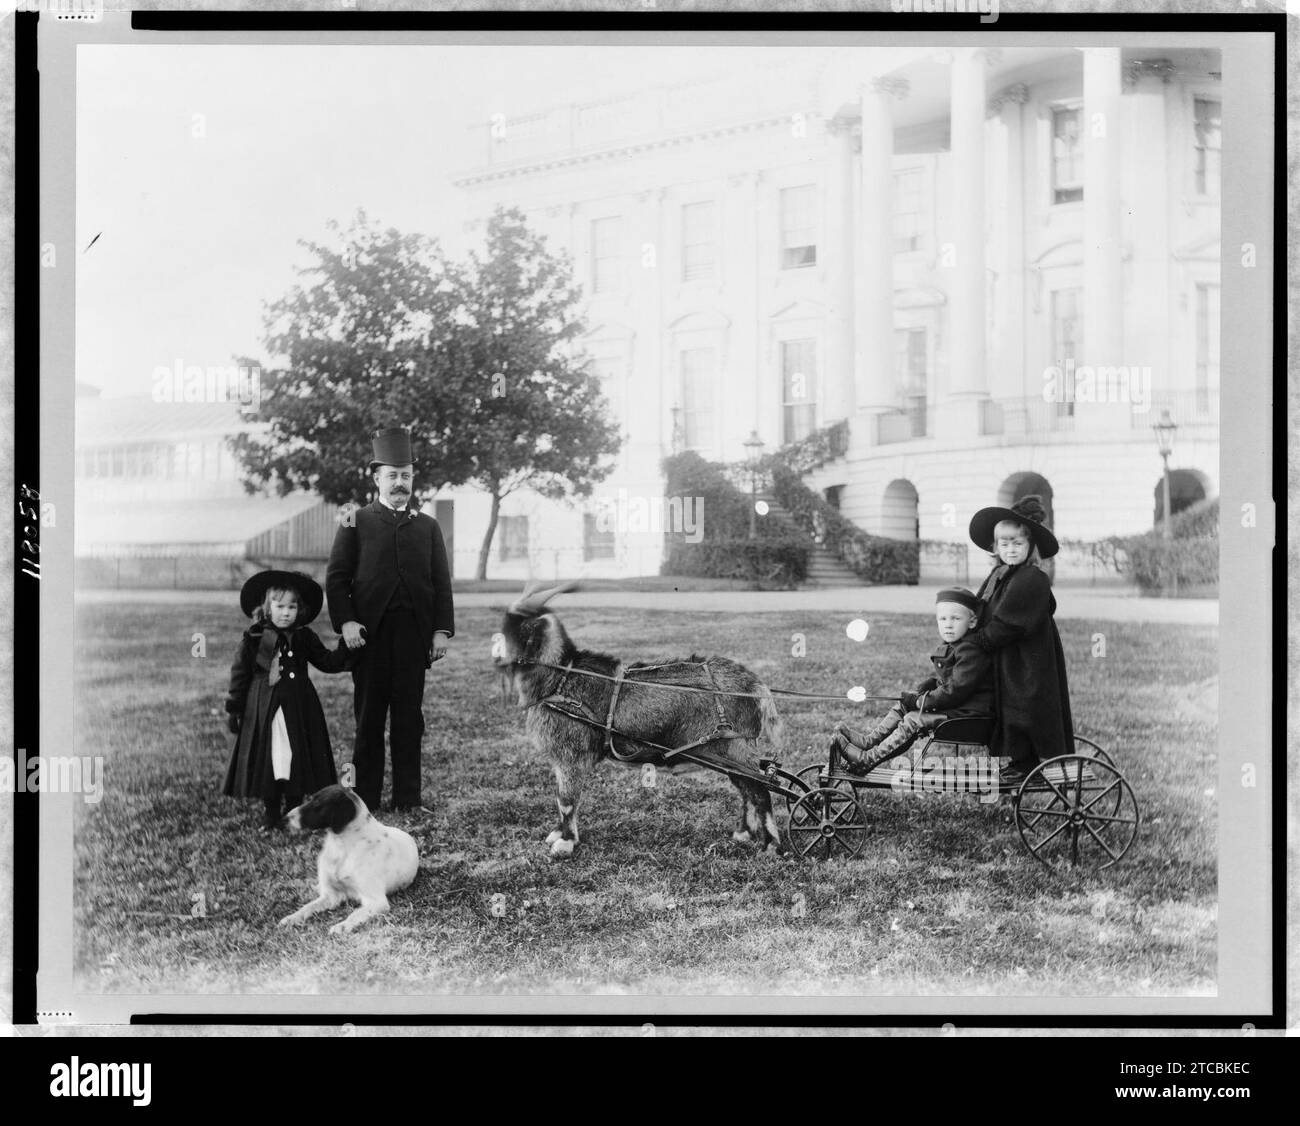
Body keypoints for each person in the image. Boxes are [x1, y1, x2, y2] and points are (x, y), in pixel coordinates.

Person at [325, 427, 454, 815]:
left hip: (413, 640)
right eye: (392, 475)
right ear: (376, 477)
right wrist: (346, 623)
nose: (400, 483)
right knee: (368, 720)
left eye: (407, 475)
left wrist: (440, 630)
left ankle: (408, 800)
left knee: (409, 720)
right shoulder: (355, 522)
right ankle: (364, 800)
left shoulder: (427, 527)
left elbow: (440, 584)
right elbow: (336, 579)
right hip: (369, 639)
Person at [223, 570, 355, 831]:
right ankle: (271, 814)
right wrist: (234, 708)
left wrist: (346, 647)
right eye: (279, 606)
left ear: (300, 609)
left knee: (295, 755)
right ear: (267, 607)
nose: (286, 613)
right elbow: (239, 676)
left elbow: (327, 662)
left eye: (292, 606)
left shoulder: (305, 637)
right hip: (264, 708)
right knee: (271, 758)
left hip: (298, 708)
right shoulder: (254, 638)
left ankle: (293, 810)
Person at [966, 494, 1075, 784]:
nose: (1011, 549)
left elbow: (1007, 624)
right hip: (1007, 658)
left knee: (1022, 709)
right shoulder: (1000, 574)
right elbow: (981, 607)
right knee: (1004, 709)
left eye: (1018, 543)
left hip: (1026, 662)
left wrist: (978, 642)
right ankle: (1014, 761)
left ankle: (1027, 765)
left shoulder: (1030, 578)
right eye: (1004, 544)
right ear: (995, 547)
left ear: (1031, 546)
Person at [832, 588, 994, 775]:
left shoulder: (971, 651)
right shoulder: (955, 644)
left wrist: (919, 701)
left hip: (969, 715)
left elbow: (956, 690)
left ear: (972, 621)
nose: (948, 625)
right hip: (956, 708)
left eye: (956, 619)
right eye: (943, 619)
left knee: (913, 719)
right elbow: (951, 679)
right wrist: (930, 684)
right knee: (903, 707)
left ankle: (867, 760)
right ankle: (869, 742)